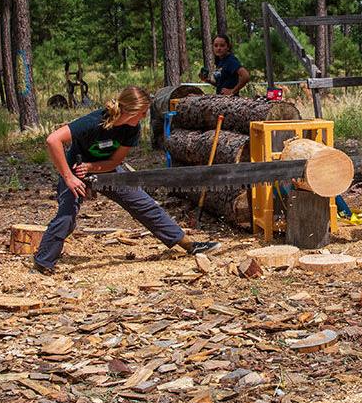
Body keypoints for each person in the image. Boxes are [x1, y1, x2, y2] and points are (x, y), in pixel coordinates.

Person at [33, 86, 221, 274]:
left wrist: (91, 167)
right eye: (142, 112)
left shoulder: (132, 129)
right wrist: (68, 177)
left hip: (104, 168)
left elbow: (115, 161)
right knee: (67, 216)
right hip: (73, 170)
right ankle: (43, 262)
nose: (144, 116)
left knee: (144, 204)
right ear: (131, 110)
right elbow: (53, 140)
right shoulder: (93, 122)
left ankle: (189, 245)